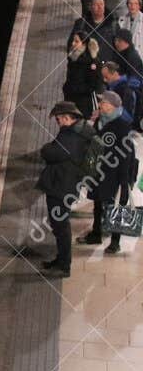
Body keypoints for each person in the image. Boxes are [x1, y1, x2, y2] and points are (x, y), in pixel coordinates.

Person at [37, 100, 95, 277]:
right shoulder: (80, 130)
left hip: (61, 186)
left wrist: (46, 148)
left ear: (67, 118)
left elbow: (52, 153)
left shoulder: (70, 136)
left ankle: (64, 266)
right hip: (67, 183)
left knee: (60, 226)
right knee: (60, 225)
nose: (58, 122)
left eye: (58, 119)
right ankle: (61, 259)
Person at [85, 90, 138, 256]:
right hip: (99, 170)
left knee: (115, 205)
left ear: (113, 106)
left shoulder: (122, 125)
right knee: (98, 203)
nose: (100, 105)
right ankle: (96, 233)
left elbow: (126, 154)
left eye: (104, 103)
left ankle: (115, 242)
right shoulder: (100, 121)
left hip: (115, 173)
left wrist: (124, 181)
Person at [66, 34, 103, 108]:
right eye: (73, 40)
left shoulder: (91, 62)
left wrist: (78, 90)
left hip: (84, 101)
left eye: (76, 41)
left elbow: (95, 84)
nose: (73, 43)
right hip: (71, 97)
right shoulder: (73, 58)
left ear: (84, 44)